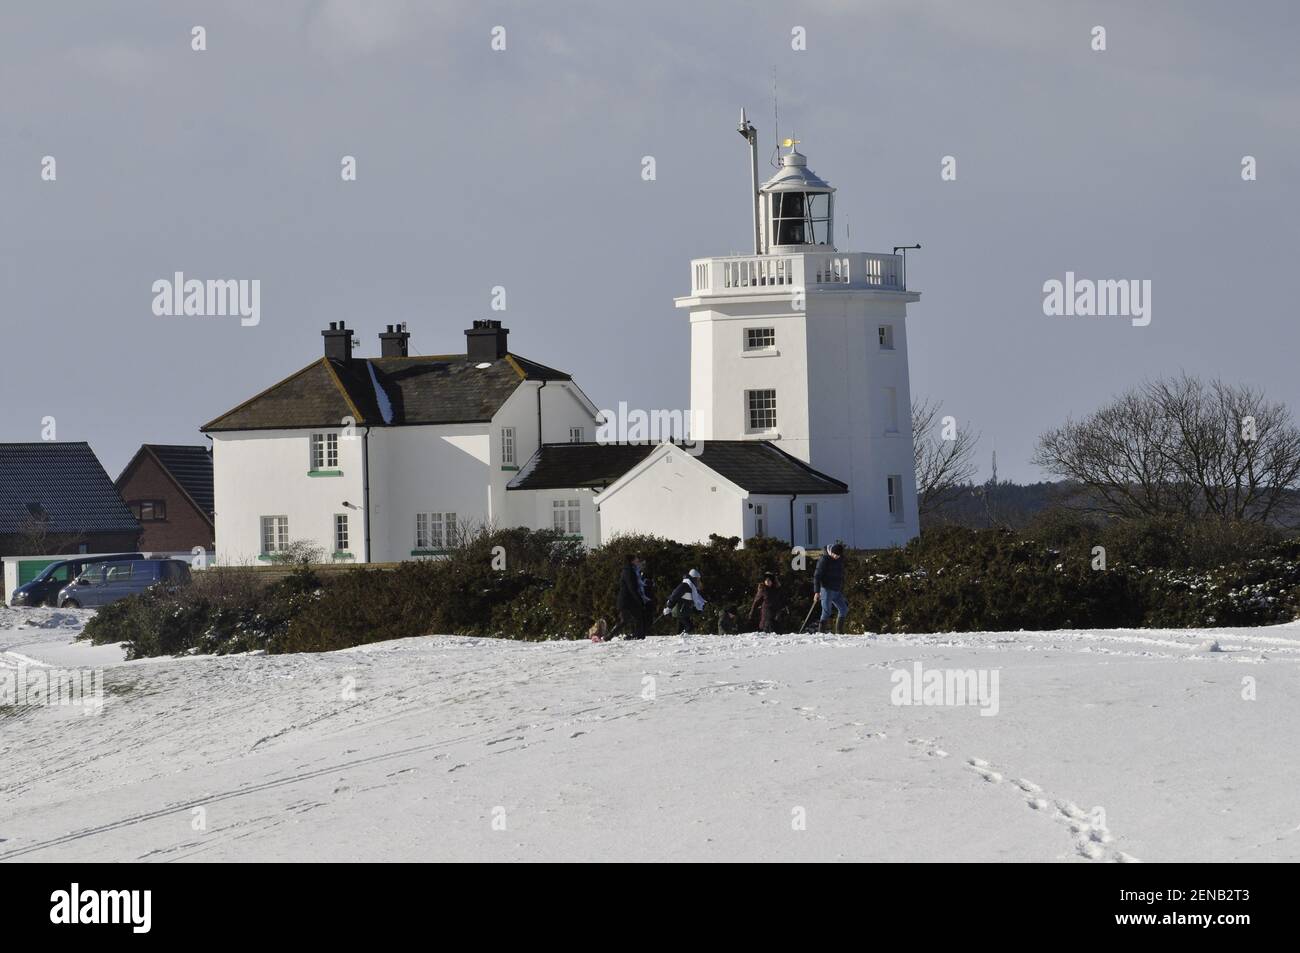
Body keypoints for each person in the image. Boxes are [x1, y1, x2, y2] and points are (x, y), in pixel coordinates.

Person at [606, 553, 650, 640]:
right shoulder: (629, 571)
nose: (638, 560)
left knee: (636, 618)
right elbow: (632, 587)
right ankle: (609, 636)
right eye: (636, 559)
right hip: (627, 600)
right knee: (628, 620)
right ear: (632, 560)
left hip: (629, 600)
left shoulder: (632, 570)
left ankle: (638, 636)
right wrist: (639, 599)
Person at [813, 543, 849, 633]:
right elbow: (817, 576)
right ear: (831, 552)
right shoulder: (824, 559)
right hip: (827, 589)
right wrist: (817, 592)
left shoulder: (839, 559)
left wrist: (841, 588)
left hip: (837, 590)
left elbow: (840, 574)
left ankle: (839, 632)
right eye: (835, 555)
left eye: (838, 555)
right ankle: (821, 633)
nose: (836, 557)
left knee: (844, 609)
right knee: (826, 612)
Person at [664, 568, 706, 635]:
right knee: (689, 627)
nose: (698, 581)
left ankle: (680, 641)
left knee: (682, 629)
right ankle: (682, 639)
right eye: (697, 579)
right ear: (693, 578)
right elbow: (674, 595)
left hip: (685, 611)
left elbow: (693, 600)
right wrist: (669, 607)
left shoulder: (692, 588)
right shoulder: (685, 585)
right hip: (680, 611)